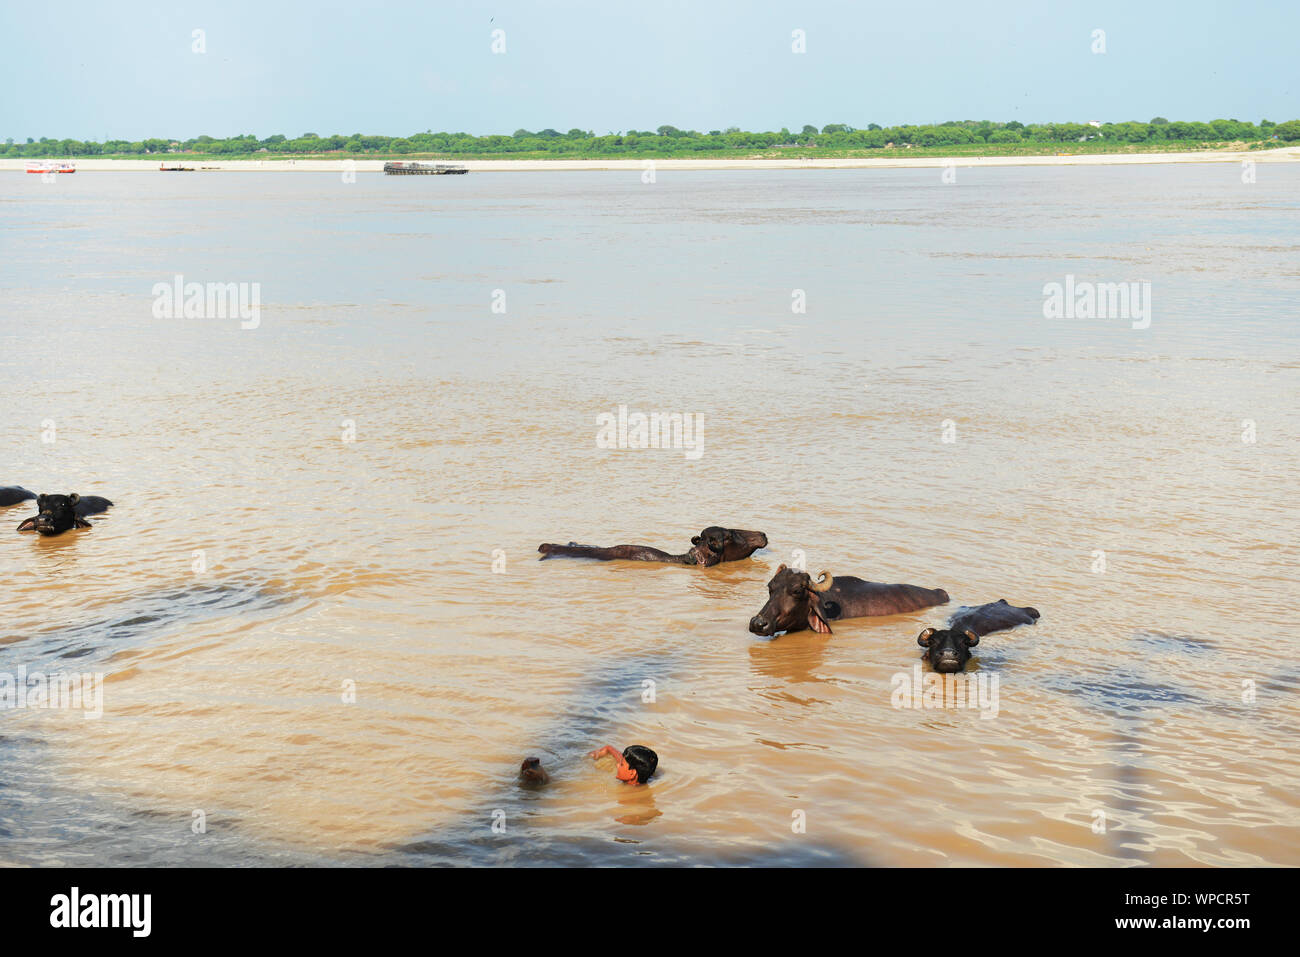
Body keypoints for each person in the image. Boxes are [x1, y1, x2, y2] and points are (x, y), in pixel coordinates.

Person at [588, 745, 658, 785]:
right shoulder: (637, 768)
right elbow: (610, 749)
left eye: (621, 765)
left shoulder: (629, 799)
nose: (617, 765)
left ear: (632, 773)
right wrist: (601, 751)